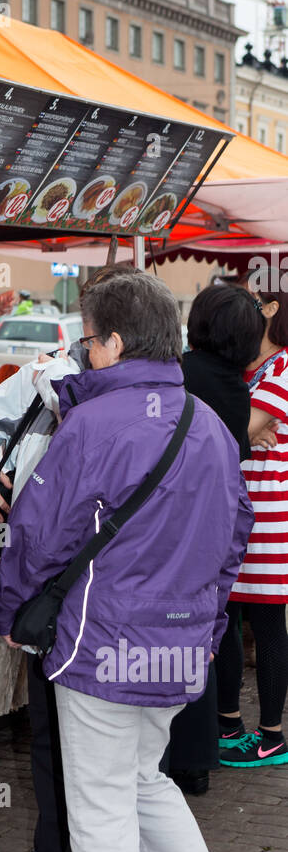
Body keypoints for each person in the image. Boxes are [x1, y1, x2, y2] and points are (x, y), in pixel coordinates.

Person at [0, 269, 252, 852]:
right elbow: (234, 536)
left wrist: (7, 611)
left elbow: (37, 538)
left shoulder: (93, 425)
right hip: (177, 644)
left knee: (102, 799)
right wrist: (208, 624)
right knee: (142, 781)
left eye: (89, 341)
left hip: (101, 644)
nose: (85, 353)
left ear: (110, 344)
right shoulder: (208, 424)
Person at [0, 264, 131, 852]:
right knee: (49, 734)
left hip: (104, 597)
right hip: (57, 594)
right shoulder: (49, 377)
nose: (85, 344)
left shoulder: (141, 402)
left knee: (119, 759)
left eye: (92, 334)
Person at [173, 284, 267, 792]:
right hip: (214, 527)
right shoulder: (236, 387)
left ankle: (177, 757)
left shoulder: (180, 374)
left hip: (172, 524)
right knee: (203, 634)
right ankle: (196, 760)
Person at [216, 280, 288, 769]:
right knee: (226, 617)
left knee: (266, 624)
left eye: (253, 302)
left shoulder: (282, 367)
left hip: (268, 516)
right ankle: (228, 725)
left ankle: (273, 734)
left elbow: (234, 430)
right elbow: (241, 431)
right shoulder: (250, 368)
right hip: (235, 509)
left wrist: (241, 428)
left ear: (273, 308)